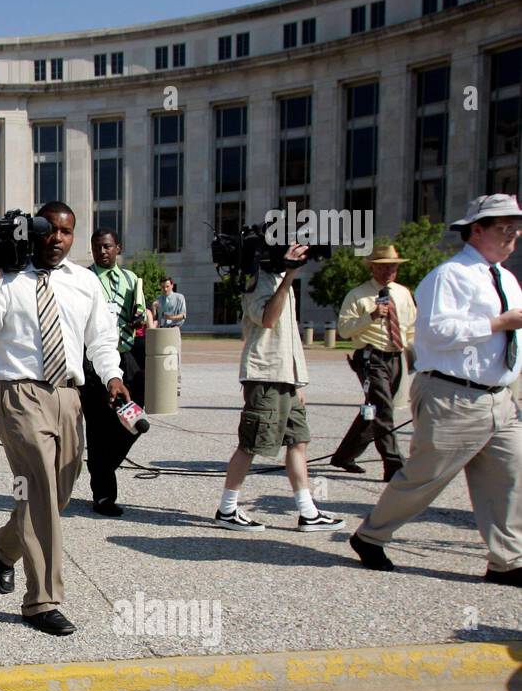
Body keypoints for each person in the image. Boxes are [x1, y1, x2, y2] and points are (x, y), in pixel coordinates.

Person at [0, 201, 125, 636]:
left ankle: (5, 544)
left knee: (58, 496)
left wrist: (112, 377)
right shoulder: (10, 279)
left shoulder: (85, 283)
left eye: (66, 231)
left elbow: (102, 338)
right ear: (34, 232)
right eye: (49, 229)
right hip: (19, 395)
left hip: (69, 397)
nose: (57, 237)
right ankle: (42, 600)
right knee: (39, 489)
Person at [350, 194, 522, 583]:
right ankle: (371, 535)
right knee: (426, 477)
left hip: (500, 397)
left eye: (516, 226)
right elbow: (437, 332)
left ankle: (507, 562)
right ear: (476, 231)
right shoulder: (450, 276)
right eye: (504, 227)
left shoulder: (507, 279)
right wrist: (499, 323)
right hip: (453, 395)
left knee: (509, 478)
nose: (514, 234)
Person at [215, 243, 344, 533]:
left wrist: (298, 378)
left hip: (286, 376)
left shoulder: (279, 279)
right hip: (265, 374)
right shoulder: (256, 280)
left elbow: (289, 334)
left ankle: (308, 512)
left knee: (298, 441)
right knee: (251, 444)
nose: (300, 253)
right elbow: (268, 319)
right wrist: (288, 277)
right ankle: (227, 509)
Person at [332, 243, 417, 481]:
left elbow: (411, 325)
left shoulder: (403, 293)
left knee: (375, 409)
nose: (389, 270)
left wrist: (411, 352)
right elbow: (345, 329)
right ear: (372, 268)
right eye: (384, 266)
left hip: (396, 354)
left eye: (393, 266)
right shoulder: (358, 295)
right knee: (383, 409)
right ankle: (393, 465)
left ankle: (344, 455)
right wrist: (370, 317)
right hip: (371, 357)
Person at [82, 228, 148, 517]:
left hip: (126, 354)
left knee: (134, 418)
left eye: (107, 247)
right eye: (97, 247)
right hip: (93, 359)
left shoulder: (132, 280)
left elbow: (143, 314)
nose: (102, 252)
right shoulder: (85, 279)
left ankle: (105, 464)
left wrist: (139, 317)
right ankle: (104, 496)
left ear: (117, 248)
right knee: (97, 428)